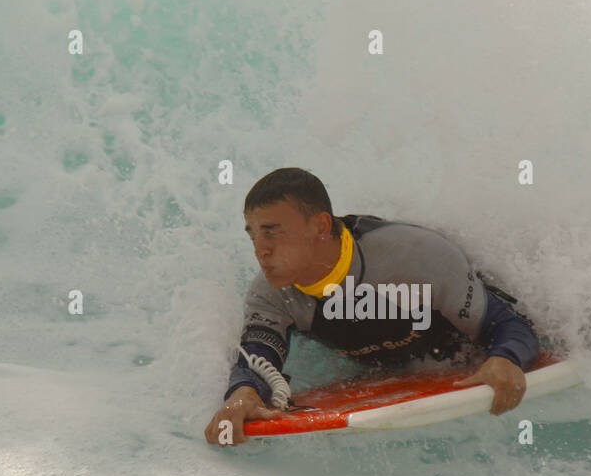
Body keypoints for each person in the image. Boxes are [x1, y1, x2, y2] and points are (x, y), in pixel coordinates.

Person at [204, 167, 541, 447]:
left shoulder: (413, 255)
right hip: (388, 364)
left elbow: (509, 323)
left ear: (320, 226)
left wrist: (506, 357)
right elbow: (257, 358)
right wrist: (242, 395)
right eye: (252, 236)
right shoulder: (271, 294)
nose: (260, 250)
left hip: (467, 335)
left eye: (272, 233)